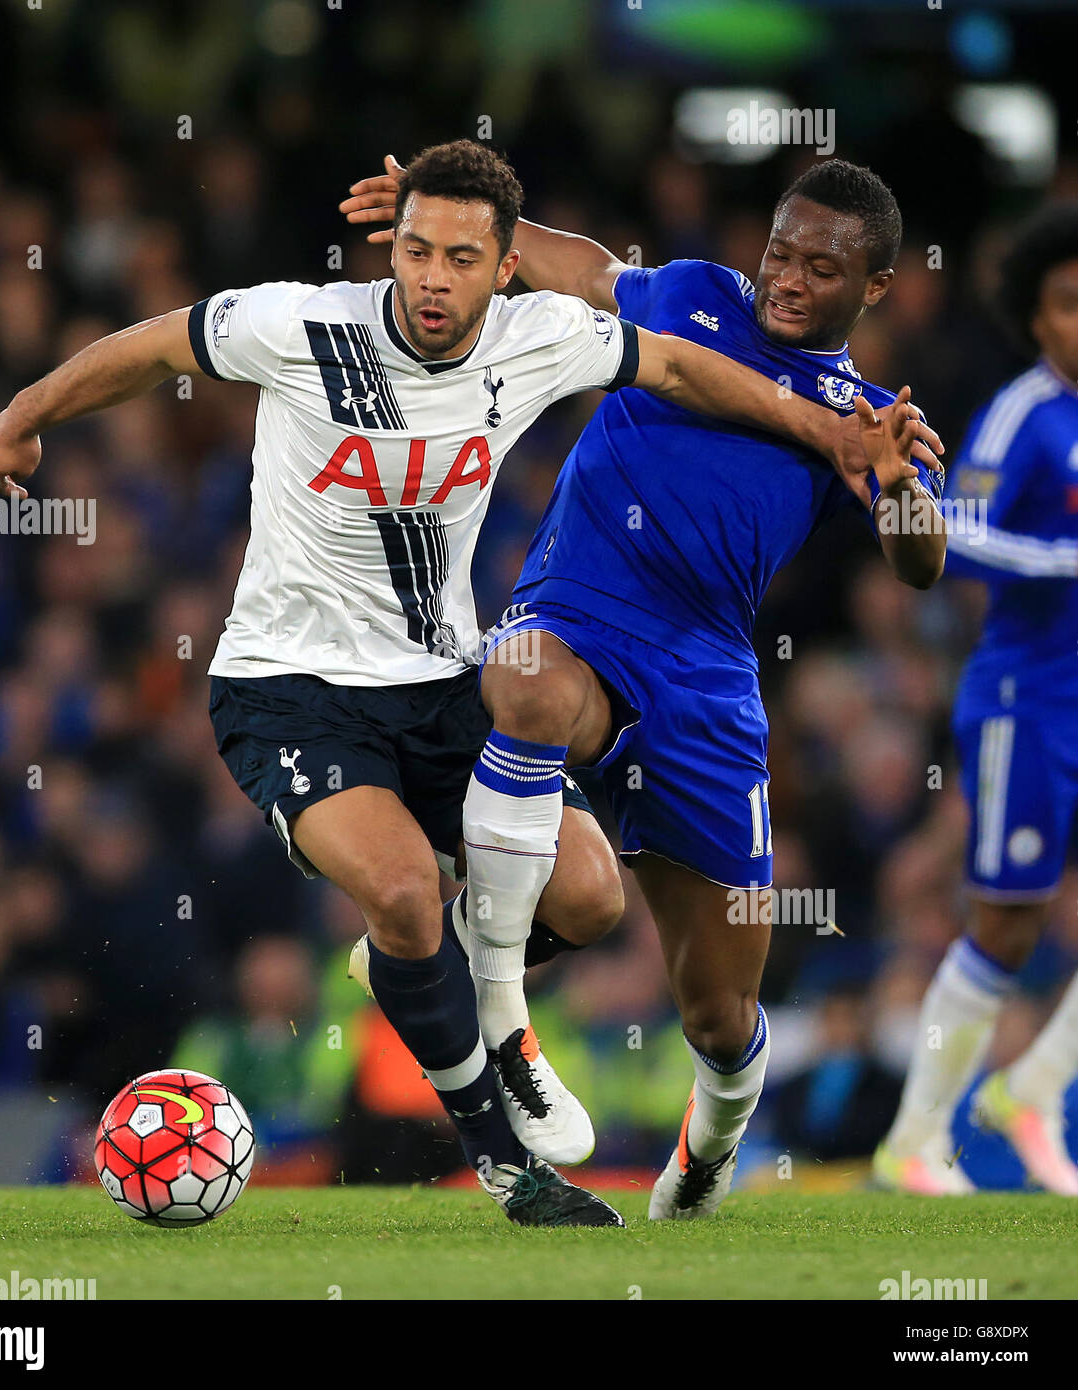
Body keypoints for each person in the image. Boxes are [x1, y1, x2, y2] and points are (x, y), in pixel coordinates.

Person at [0, 139, 881, 1227]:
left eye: (461, 255)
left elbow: (683, 368)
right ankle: (509, 1159)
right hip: (288, 683)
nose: (433, 277)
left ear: (506, 266)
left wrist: (826, 428)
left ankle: (444, 978)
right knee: (406, 891)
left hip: (439, 677)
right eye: (414, 249)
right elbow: (157, 343)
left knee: (590, 895)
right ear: (389, 249)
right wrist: (26, 411)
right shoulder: (303, 325)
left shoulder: (540, 337)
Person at [343, 154, 946, 1217]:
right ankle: (497, 1005)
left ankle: (711, 1145)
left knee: (718, 1013)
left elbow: (921, 563)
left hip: (706, 680)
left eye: (820, 267)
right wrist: (455, 227)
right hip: (575, 612)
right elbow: (569, 269)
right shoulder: (696, 298)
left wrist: (901, 490)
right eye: (779, 253)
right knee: (523, 686)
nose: (787, 280)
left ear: (877, 288)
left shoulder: (864, 416)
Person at [875, 205, 1078, 1196]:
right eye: (1068, 305)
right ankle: (915, 1138)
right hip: (1027, 701)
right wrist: (1063, 559)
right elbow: (951, 525)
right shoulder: (1025, 414)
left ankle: (1032, 1087)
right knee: (1008, 924)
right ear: (1033, 319)